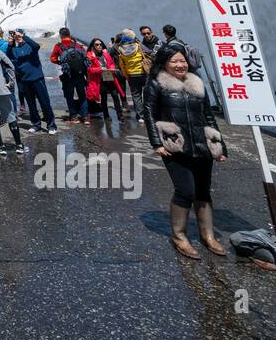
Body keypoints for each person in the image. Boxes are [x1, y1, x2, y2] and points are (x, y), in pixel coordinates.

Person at [143, 45, 229, 259]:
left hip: (202, 144)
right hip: (174, 145)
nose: (180, 65)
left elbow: (208, 115)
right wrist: (157, 143)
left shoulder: (197, 83)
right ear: (164, 63)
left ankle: (208, 236)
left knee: (203, 191)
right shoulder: (156, 84)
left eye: (183, 61)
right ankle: (179, 236)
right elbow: (150, 114)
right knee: (185, 191)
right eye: (175, 61)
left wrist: (219, 146)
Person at [9, 28, 57, 134]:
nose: (18, 38)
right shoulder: (15, 49)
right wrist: (11, 43)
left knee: (45, 102)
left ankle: (51, 125)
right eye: (17, 36)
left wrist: (23, 36)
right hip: (24, 80)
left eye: (20, 36)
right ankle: (36, 124)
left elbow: (36, 46)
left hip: (37, 78)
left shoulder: (30, 46)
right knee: (31, 104)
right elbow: (9, 56)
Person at [50, 27, 90, 123]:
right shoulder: (77, 45)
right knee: (82, 96)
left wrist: (61, 63)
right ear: (69, 34)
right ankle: (85, 117)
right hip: (80, 74)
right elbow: (85, 57)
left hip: (68, 75)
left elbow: (52, 58)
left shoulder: (59, 46)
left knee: (69, 96)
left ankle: (73, 117)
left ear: (61, 35)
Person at [86, 37, 125, 121]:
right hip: (99, 79)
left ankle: (120, 114)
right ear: (93, 46)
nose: (99, 46)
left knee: (115, 96)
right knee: (103, 98)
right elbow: (89, 69)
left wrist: (111, 68)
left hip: (109, 77)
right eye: (97, 45)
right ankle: (106, 115)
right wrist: (100, 69)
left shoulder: (106, 54)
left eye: (100, 44)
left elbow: (111, 63)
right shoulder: (89, 56)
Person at [113, 28, 148, 121]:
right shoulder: (138, 45)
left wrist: (126, 75)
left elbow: (122, 65)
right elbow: (149, 53)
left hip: (132, 75)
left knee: (136, 95)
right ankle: (148, 114)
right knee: (147, 94)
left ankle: (140, 116)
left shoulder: (120, 49)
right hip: (143, 72)